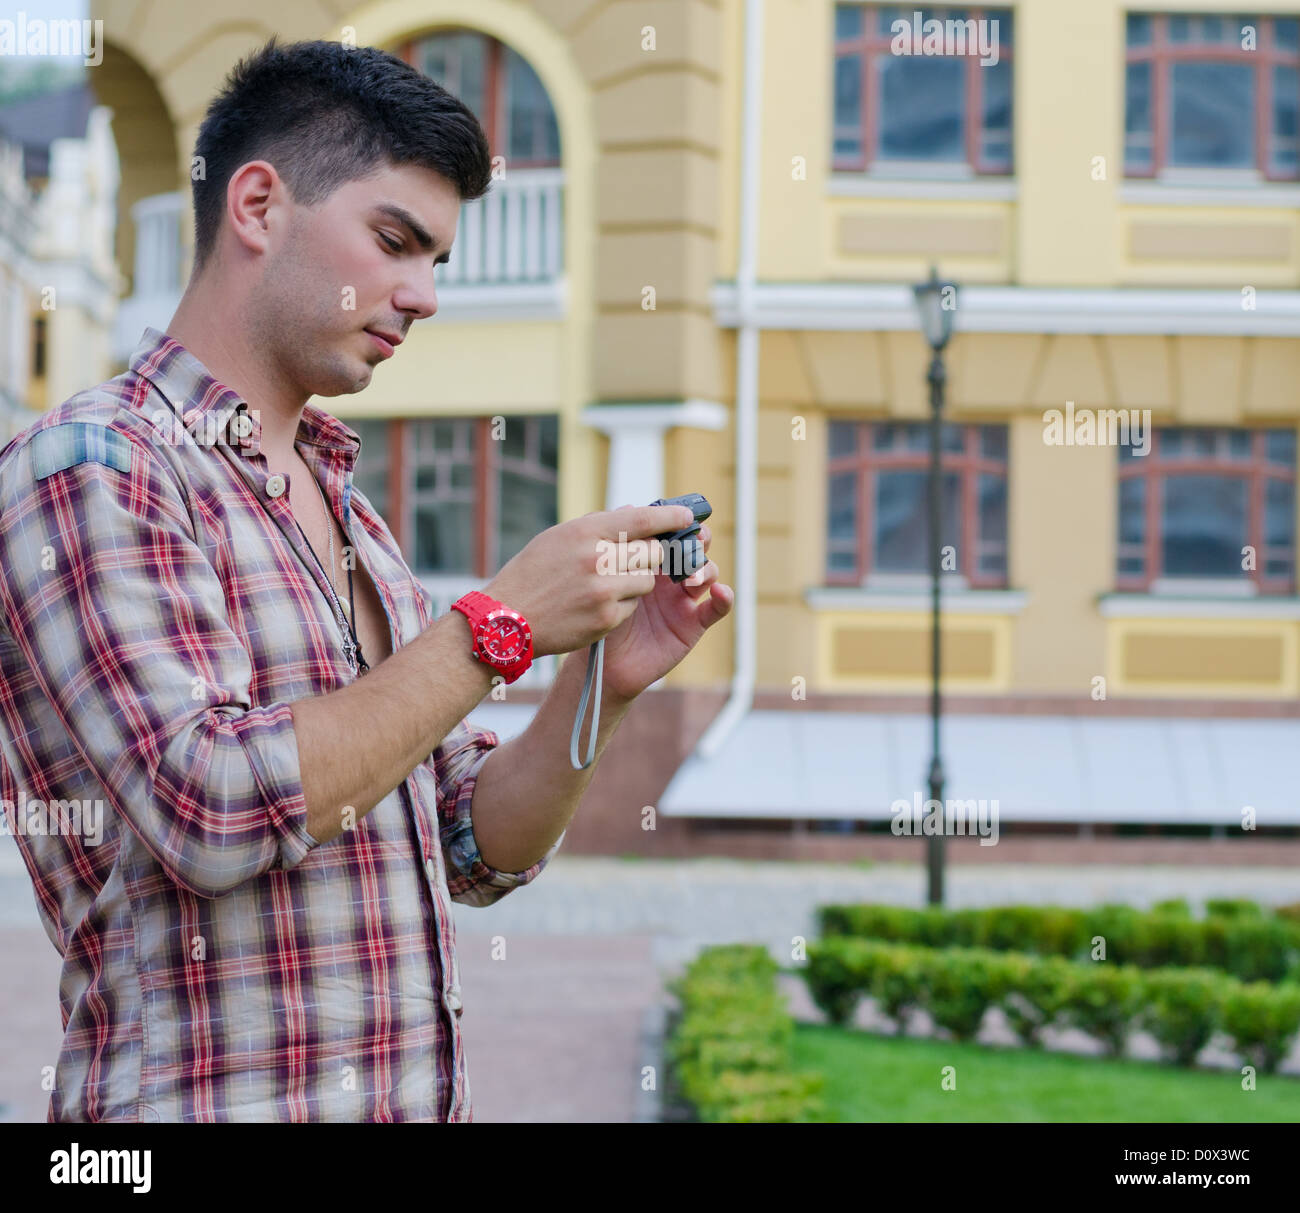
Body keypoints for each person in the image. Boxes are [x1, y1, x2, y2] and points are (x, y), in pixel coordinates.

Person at [0, 37, 732, 1123]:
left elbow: (471, 844)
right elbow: (208, 809)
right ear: (257, 205)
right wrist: (498, 623)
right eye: (396, 242)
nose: (423, 296)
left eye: (436, 260)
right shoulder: (93, 467)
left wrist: (601, 683)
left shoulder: (348, 500)